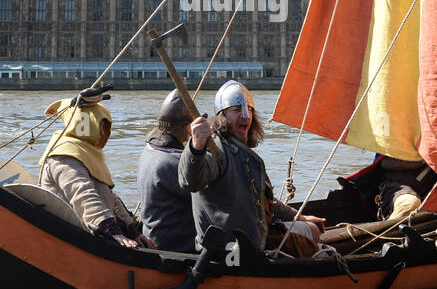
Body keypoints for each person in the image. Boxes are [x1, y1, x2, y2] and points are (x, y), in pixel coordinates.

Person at [180, 80, 325, 256]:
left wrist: (300, 217)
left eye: (249, 109)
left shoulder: (240, 150)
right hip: (234, 250)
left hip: (256, 235)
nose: (245, 115)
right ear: (222, 116)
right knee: (319, 247)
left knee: (311, 228)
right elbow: (191, 181)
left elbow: (264, 200)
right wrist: (196, 147)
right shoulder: (214, 149)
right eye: (236, 110)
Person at [38, 90, 155, 248]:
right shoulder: (64, 155)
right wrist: (110, 229)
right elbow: (82, 194)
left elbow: (109, 196)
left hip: (95, 231)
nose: (103, 133)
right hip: (74, 238)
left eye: (106, 127)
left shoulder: (87, 151)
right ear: (86, 125)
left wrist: (132, 231)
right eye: (100, 126)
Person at [137, 89, 197, 252]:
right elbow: (209, 197)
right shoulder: (174, 161)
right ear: (188, 127)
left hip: (153, 235)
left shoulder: (148, 150)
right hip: (174, 248)